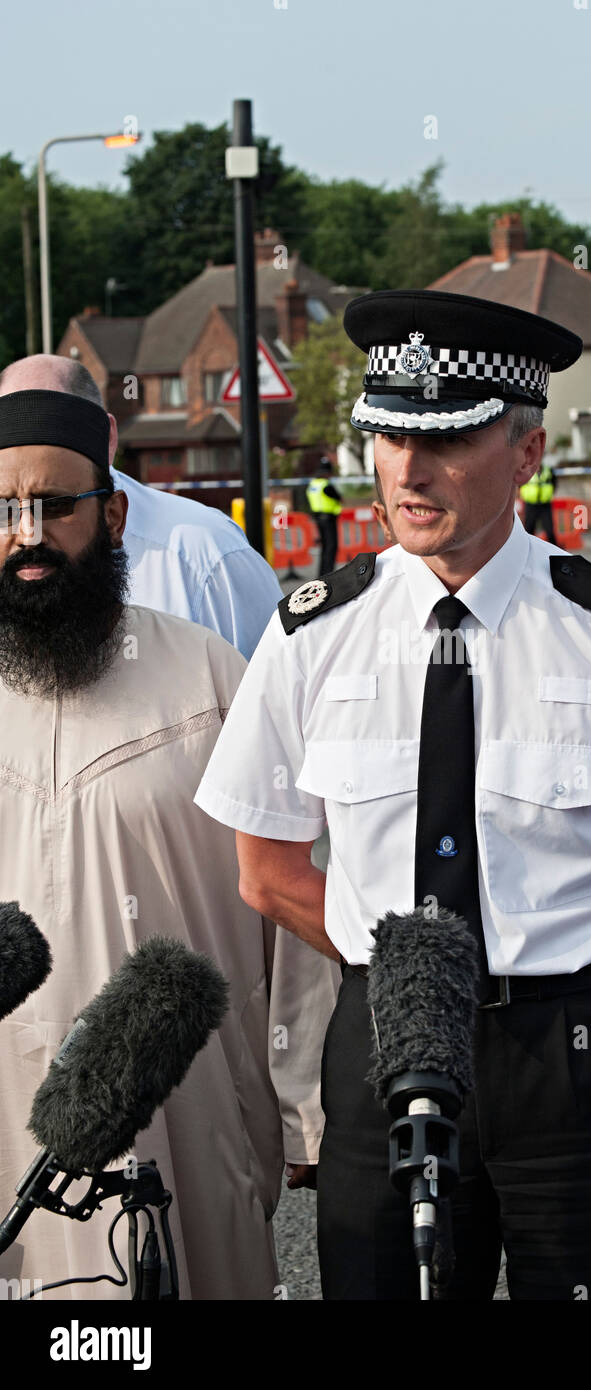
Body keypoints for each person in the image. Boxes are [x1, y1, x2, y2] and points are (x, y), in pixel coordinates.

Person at [194, 289, 591, 1301]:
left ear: (527, 453)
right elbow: (267, 869)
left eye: (446, 439)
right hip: (385, 1046)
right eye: (388, 435)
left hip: (581, 1057)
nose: (407, 469)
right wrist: (412, 974)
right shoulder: (312, 632)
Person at [0, 386, 338, 1299]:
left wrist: (306, 1109)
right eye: (4, 510)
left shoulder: (207, 676)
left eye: (55, 505)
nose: (28, 533)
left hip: (185, 1107)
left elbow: (294, 891)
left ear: (110, 512)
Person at [0, 356, 283, 660]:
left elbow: (275, 692)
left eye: (53, 504)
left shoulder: (206, 556)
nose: (29, 532)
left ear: (107, 438)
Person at [306, 457, 342, 576]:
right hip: (328, 518)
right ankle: (329, 574)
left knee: (325, 547)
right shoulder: (326, 485)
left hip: (318, 518)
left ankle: (322, 573)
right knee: (331, 547)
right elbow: (338, 497)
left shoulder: (312, 484)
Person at [519, 459, 556, 542]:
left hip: (545, 505)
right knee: (529, 530)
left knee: (550, 531)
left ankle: (555, 552)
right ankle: (527, 551)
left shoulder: (548, 470)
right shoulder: (526, 471)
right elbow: (520, 484)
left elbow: (554, 483)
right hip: (530, 504)